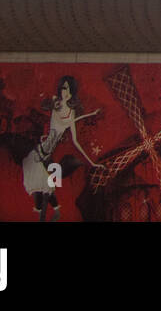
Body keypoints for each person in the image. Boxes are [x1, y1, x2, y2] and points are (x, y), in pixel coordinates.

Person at [21, 76, 101, 221]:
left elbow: (75, 141)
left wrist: (92, 162)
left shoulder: (72, 113)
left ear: (72, 91)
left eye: (68, 88)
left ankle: (48, 213)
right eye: (63, 88)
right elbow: (51, 120)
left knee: (46, 187)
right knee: (39, 183)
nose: (65, 91)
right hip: (41, 151)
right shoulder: (56, 104)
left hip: (47, 154)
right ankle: (45, 212)